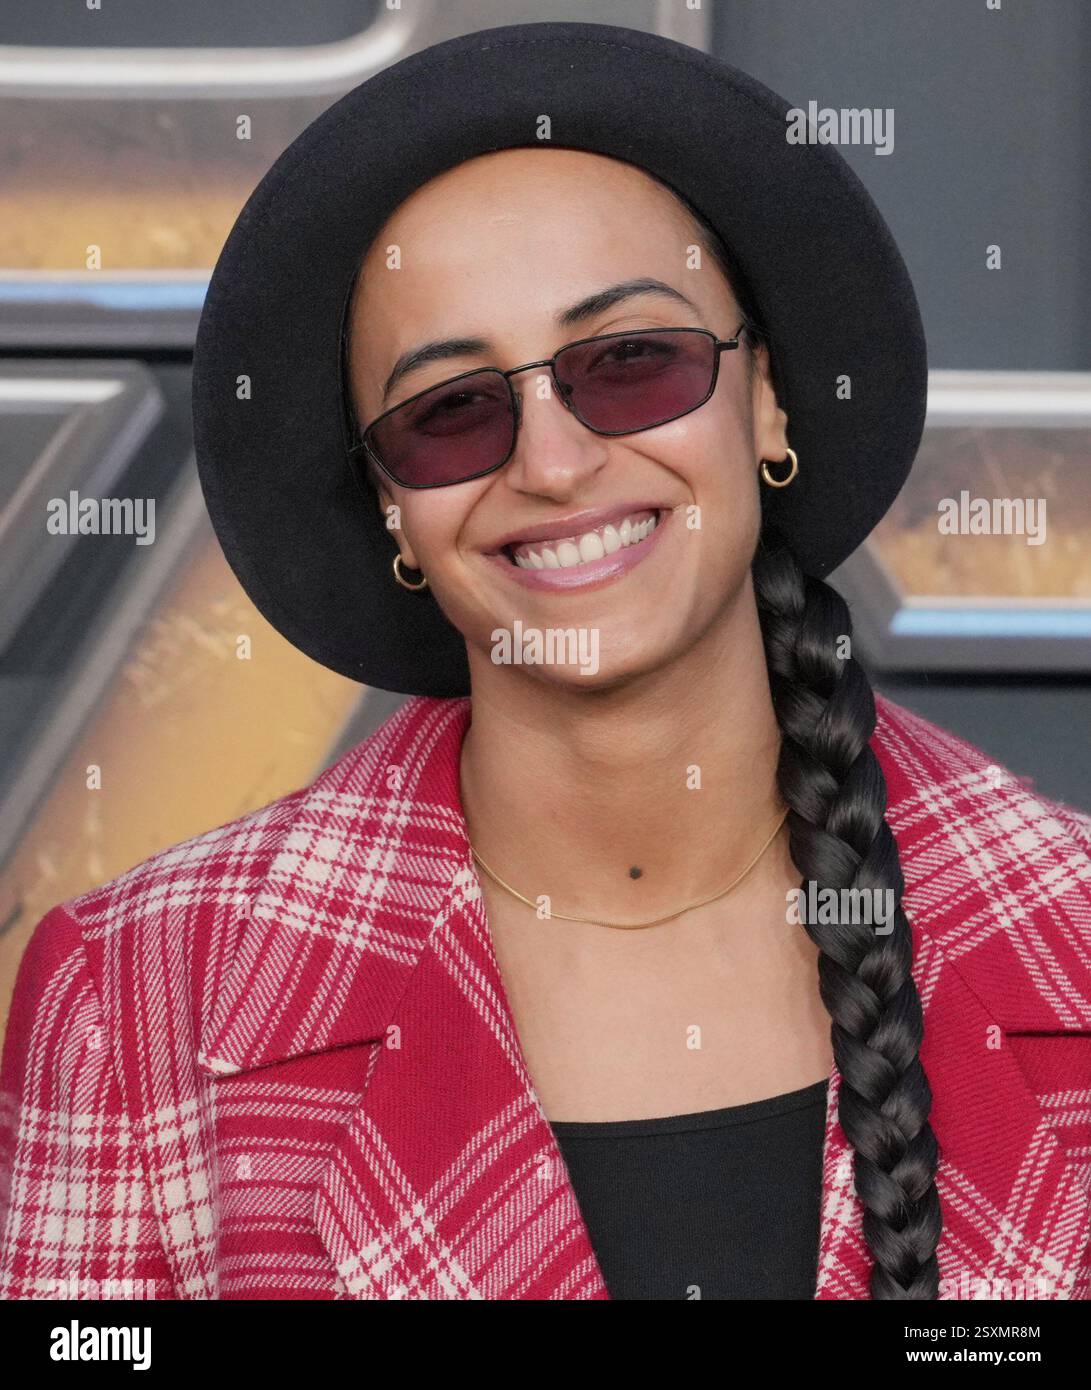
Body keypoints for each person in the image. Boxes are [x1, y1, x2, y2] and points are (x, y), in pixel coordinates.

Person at [1, 21, 1089, 1303]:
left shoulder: (1068, 932)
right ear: (392, 510)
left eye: (630, 363)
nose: (554, 462)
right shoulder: (138, 1007)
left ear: (768, 400)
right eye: (449, 410)